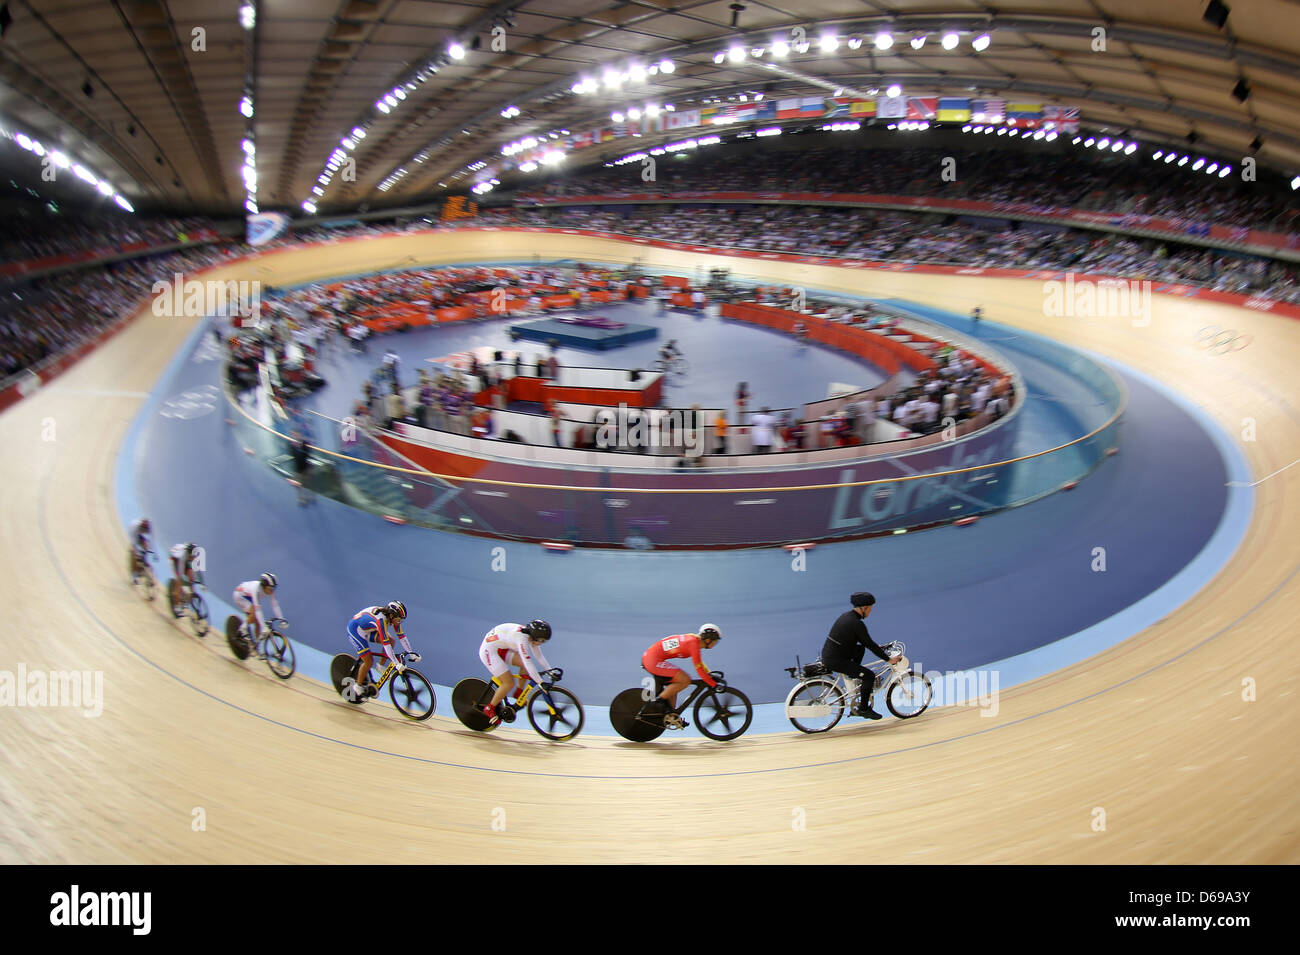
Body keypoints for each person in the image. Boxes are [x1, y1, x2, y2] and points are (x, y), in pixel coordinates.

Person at [821, 592, 901, 720]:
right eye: (870, 608)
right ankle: (864, 709)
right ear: (864, 608)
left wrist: (877, 648)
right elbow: (869, 643)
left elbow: (865, 643)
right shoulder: (856, 624)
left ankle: (853, 675)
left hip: (831, 655)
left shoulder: (847, 617)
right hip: (836, 660)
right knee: (869, 676)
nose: (870, 611)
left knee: (860, 648)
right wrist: (889, 659)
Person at [639, 624, 721, 726]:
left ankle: (671, 716)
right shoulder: (693, 644)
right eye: (715, 640)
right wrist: (714, 685)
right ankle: (658, 701)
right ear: (708, 639)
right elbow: (699, 669)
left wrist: (709, 674)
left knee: (676, 684)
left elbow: (700, 663)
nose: (716, 643)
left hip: (652, 658)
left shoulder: (694, 640)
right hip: (652, 660)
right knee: (684, 679)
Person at [477, 620, 556, 724]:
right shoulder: (522, 639)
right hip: (489, 651)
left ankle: (519, 693)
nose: (542, 643)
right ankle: (489, 708)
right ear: (536, 637)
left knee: (526, 667)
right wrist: (540, 682)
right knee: (509, 683)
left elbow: (539, 656)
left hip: (501, 647)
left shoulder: (530, 635)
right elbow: (527, 661)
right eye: (542, 640)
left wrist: (550, 671)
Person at [340, 601, 420, 702]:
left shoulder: (393, 618)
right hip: (356, 631)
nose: (399, 622)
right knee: (368, 661)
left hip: (368, 629)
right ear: (391, 615)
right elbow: (385, 644)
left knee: (392, 640)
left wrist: (411, 653)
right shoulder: (381, 621)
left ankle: (380, 666)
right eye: (399, 620)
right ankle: (358, 686)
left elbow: (401, 636)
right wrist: (396, 663)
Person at [233, 572, 284, 645]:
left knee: (258, 623)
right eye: (270, 589)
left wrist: (281, 619)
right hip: (239, 596)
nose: (272, 591)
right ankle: (242, 629)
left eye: (273, 589)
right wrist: (264, 627)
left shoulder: (270, 587)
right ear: (263, 586)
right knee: (255, 613)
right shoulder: (255, 588)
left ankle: (257, 647)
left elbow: (274, 605)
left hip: (248, 597)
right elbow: (257, 610)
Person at [167, 541, 200, 615]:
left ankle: (186, 599)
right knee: (179, 584)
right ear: (188, 553)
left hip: (183, 560)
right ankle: (176, 606)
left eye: (194, 556)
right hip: (174, 561)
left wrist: (200, 582)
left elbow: (198, 569)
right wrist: (180, 581)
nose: (193, 558)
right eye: (191, 556)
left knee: (192, 578)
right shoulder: (183, 556)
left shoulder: (194, 554)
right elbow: (180, 571)